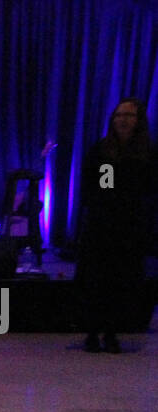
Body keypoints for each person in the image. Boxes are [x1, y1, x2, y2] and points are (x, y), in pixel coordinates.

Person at [75, 97, 157, 353]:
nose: (123, 119)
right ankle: (91, 332)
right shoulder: (102, 151)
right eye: (119, 115)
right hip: (102, 225)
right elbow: (96, 186)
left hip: (130, 227)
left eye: (129, 115)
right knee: (96, 279)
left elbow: (149, 189)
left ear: (138, 121)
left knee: (120, 281)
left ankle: (111, 332)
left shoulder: (148, 154)